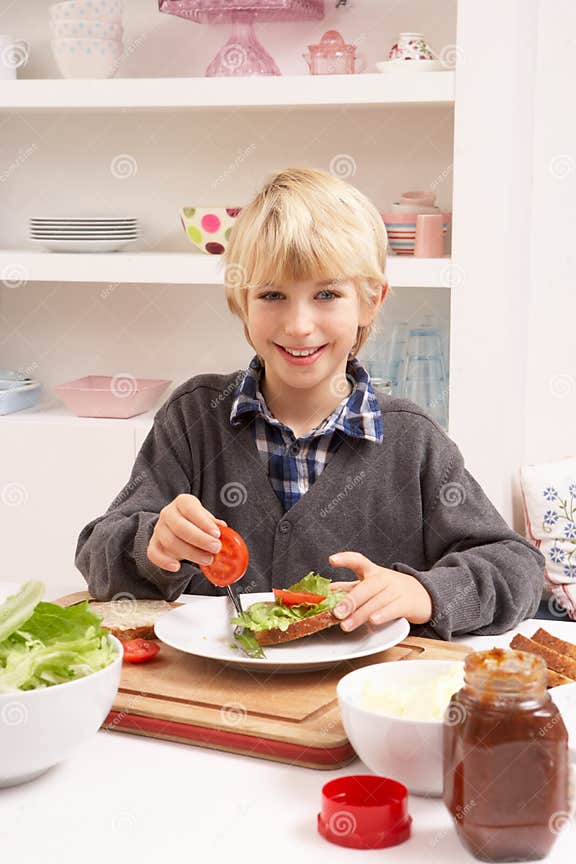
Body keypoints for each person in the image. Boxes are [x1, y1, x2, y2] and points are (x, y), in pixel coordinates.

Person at [75, 166, 545, 641]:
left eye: (326, 294)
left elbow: (516, 568)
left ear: (370, 301)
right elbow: (96, 556)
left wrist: (427, 593)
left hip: (359, 697)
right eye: (273, 295)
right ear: (241, 302)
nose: (299, 325)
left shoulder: (412, 439)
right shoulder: (195, 415)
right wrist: (152, 545)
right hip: (214, 694)